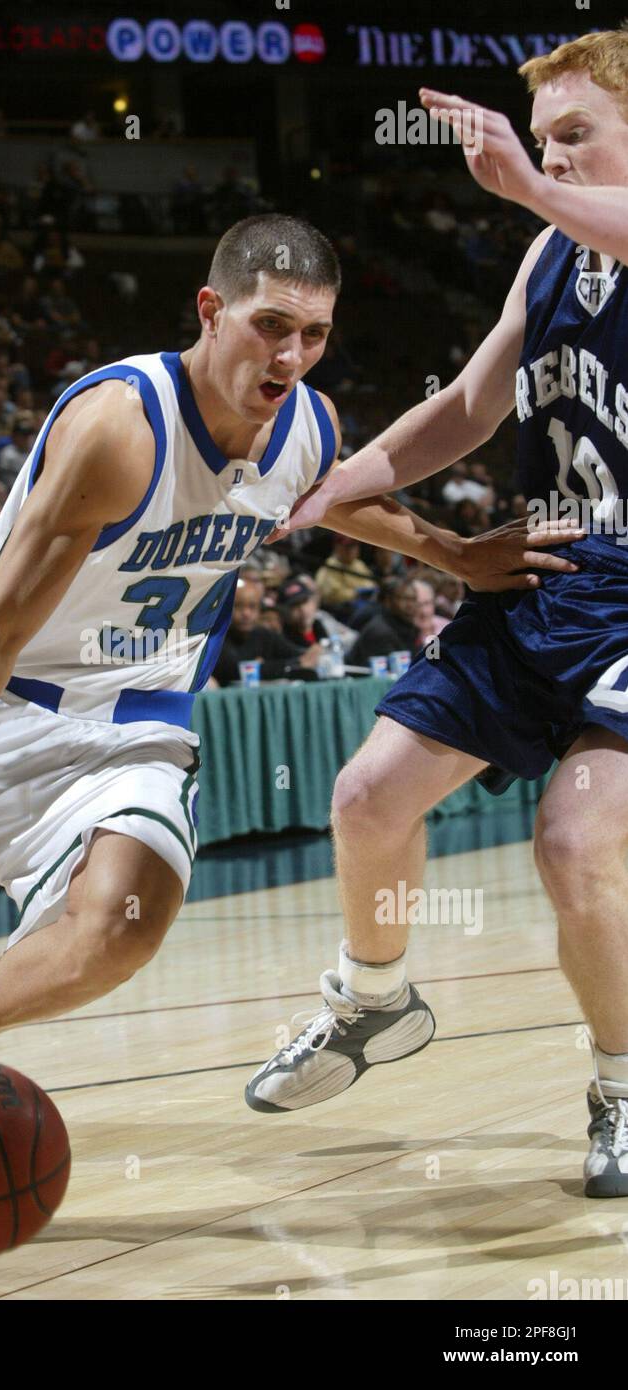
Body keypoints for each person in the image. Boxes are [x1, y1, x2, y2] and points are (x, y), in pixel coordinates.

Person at [0, 213, 574, 1231]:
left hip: (137, 719)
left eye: (313, 333)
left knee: (120, 925)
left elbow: (323, 499)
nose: (291, 354)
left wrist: (452, 550)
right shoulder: (119, 429)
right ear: (210, 310)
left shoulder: (305, 421)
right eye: (270, 326)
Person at [246, 32, 628, 1198]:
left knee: (574, 841)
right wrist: (336, 484)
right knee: (366, 797)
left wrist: (531, 180)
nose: (550, 152)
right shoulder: (549, 255)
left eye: (576, 132)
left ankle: (619, 1087)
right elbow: (465, 404)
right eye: (544, 134)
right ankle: (372, 1001)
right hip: (548, 568)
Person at [212, 577, 304, 686]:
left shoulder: (264, 635)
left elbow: (298, 655)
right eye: (238, 606)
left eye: (252, 607)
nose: (246, 613)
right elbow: (234, 670)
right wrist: (266, 667)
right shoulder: (215, 638)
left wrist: (264, 667)